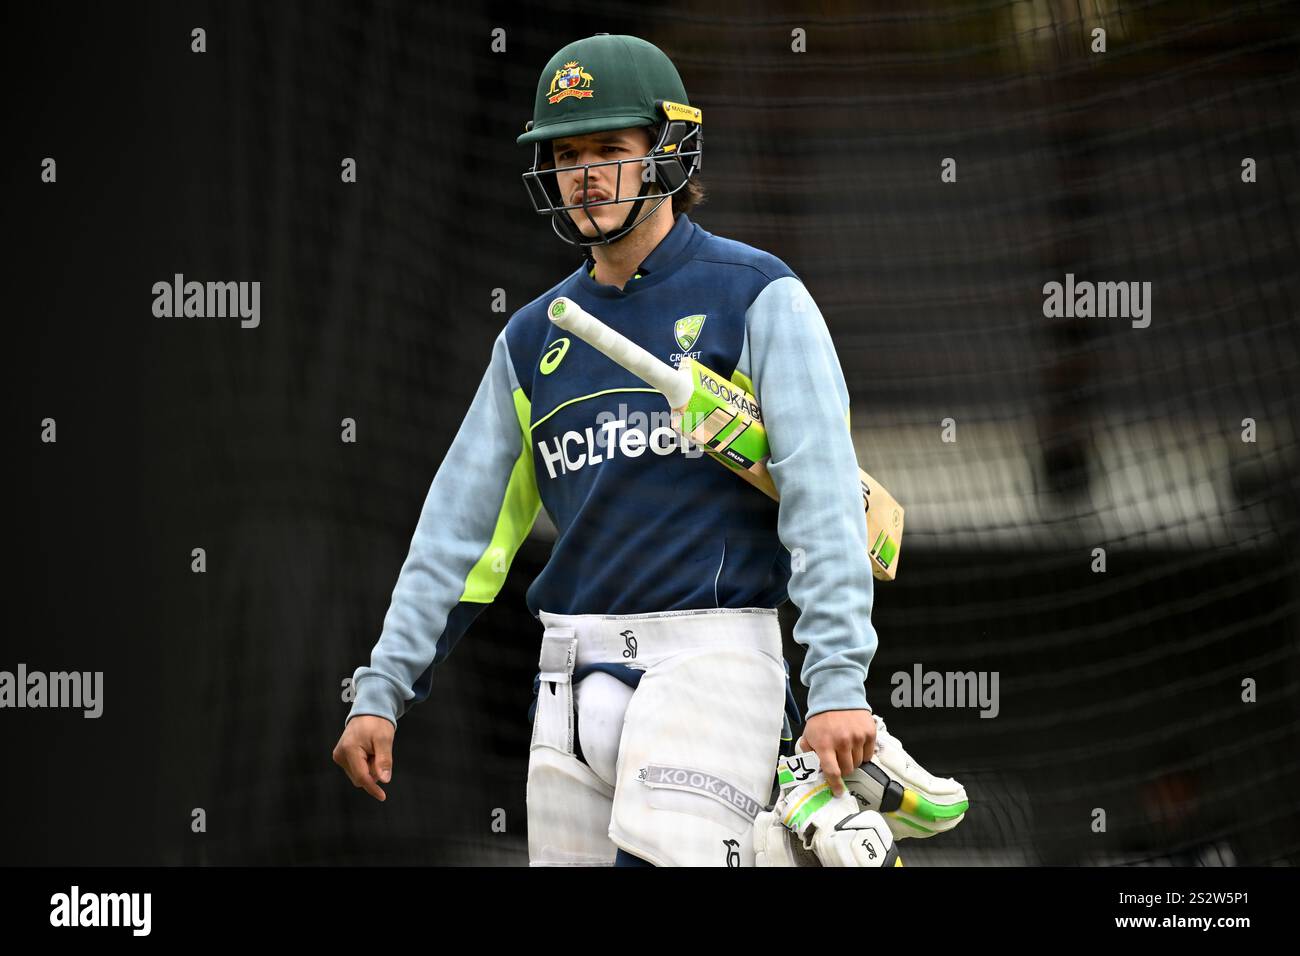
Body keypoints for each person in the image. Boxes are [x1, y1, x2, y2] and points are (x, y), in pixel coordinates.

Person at [333, 33, 932, 867]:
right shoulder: (529, 337)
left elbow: (824, 501)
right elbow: (458, 538)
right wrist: (382, 689)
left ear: (668, 151)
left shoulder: (759, 295)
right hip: (567, 670)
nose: (585, 174)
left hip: (714, 662)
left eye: (611, 148)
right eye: (566, 153)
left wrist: (836, 681)